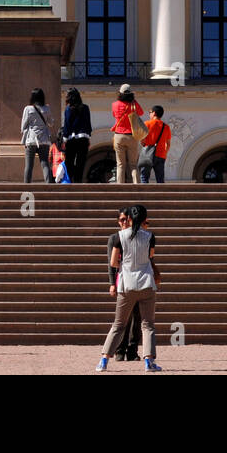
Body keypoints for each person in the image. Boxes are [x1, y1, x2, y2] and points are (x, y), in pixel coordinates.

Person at [96, 204, 161, 372]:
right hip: (146, 282)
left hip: (127, 284)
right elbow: (150, 257)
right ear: (145, 218)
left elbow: (113, 262)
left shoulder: (119, 236)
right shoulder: (150, 236)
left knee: (118, 324)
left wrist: (125, 265)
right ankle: (149, 361)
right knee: (148, 325)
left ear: (129, 219)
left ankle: (104, 360)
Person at [108, 208, 142, 361]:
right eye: (121, 220)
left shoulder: (137, 237)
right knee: (123, 318)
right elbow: (111, 264)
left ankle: (133, 350)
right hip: (122, 281)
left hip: (138, 281)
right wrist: (111, 283)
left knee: (137, 317)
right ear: (118, 221)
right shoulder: (115, 238)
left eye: (126, 220)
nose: (123, 222)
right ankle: (120, 350)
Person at [110, 84, 144, 185]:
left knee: (120, 164)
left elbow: (114, 115)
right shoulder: (133, 104)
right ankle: (137, 185)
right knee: (133, 164)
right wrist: (134, 100)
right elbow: (141, 112)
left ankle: (120, 186)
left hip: (119, 135)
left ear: (120, 93)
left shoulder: (115, 104)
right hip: (131, 136)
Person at [21, 88, 54, 183]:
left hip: (31, 139)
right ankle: (49, 186)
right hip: (44, 139)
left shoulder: (28, 109)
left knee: (29, 166)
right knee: (45, 164)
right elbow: (51, 123)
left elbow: (23, 126)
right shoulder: (46, 108)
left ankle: (26, 187)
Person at [60, 88, 92, 184]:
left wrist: (64, 139)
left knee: (69, 161)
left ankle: (71, 180)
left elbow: (67, 125)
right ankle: (78, 181)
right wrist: (88, 137)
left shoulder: (68, 109)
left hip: (71, 139)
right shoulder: (85, 108)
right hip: (83, 138)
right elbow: (88, 124)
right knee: (81, 162)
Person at [139, 105, 171, 184]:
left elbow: (141, 139)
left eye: (150, 112)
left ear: (154, 113)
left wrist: (144, 145)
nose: (149, 114)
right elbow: (168, 144)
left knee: (144, 177)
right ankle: (161, 196)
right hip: (160, 155)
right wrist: (164, 153)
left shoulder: (146, 124)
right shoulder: (166, 127)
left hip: (147, 153)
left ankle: (144, 195)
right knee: (160, 179)